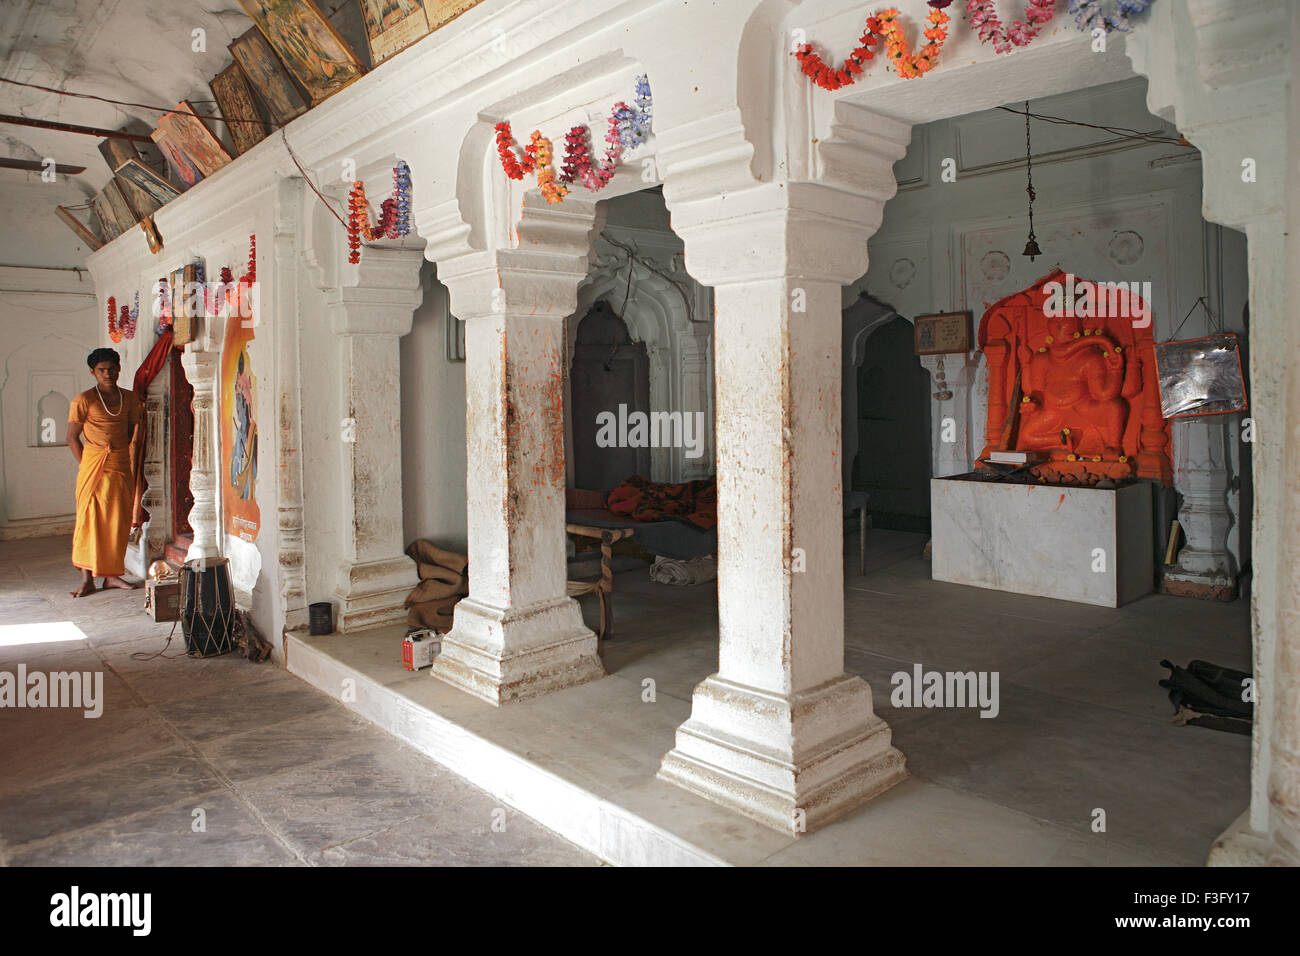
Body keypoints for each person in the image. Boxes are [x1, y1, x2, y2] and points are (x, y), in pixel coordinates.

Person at [66, 348, 145, 597]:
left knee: (117, 522)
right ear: (93, 372)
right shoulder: (84, 400)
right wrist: (87, 464)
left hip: (120, 464)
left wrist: (121, 456)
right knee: (90, 522)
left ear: (119, 369)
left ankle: (112, 576)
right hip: (93, 465)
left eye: (112, 368)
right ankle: (87, 578)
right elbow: (71, 438)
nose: (108, 373)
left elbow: (133, 432)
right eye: (102, 370)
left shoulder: (130, 399)